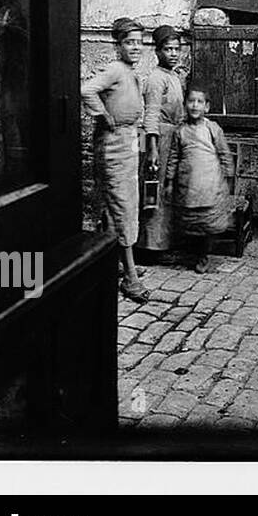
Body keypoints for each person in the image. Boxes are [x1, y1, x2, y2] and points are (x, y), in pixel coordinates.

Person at [82, 17, 150, 302]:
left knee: (121, 207)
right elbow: (86, 90)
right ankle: (131, 279)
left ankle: (117, 264)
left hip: (128, 143)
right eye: (129, 42)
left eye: (139, 42)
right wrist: (103, 115)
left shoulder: (130, 72)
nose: (135, 47)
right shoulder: (114, 69)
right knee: (121, 207)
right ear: (118, 45)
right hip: (113, 146)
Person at [164, 83, 234, 274]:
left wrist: (228, 176)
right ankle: (193, 251)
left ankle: (203, 254)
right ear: (185, 104)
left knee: (208, 220)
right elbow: (174, 157)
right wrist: (170, 182)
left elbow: (224, 153)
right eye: (191, 101)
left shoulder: (213, 128)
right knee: (190, 220)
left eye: (199, 102)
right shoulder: (180, 131)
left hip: (209, 182)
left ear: (207, 107)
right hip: (189, 184)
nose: (195, 106)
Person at [139, 25, 185, 253]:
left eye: (177, 49)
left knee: (168, 190)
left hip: (173, 138)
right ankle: (149, 246)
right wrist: (153, 149)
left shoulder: (173, 76)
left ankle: (164, 243)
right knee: (154, 191)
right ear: (157, 52)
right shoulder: (156, 79)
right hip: (160, 140)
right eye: (168, 49)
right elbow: (151, 114)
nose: (174, 54)